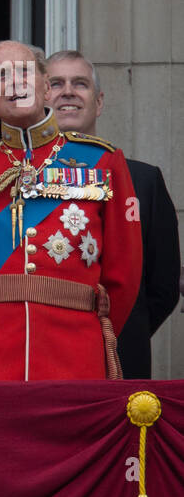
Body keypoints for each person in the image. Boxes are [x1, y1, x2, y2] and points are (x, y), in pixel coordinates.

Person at [0, 41, 142, 380]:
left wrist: (89, 331)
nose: (15, 82)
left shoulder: (103, 161)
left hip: (74, 353)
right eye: (2, 75)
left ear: (46, 88)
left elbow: (123, 275)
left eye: (24, 72)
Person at [46, 50, 179, 378]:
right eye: (56, 83)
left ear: (99, 102)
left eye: (81, 84)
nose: (68, 91)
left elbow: (162, 287)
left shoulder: (144, 181)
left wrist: (113, 334)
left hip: (118, 357)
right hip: (41, 356)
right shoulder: (15, 178)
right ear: (39, 97)